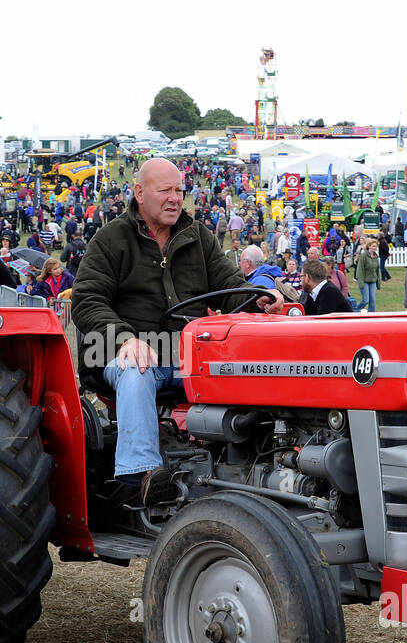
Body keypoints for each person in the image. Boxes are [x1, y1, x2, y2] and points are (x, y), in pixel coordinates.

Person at [72, 158, 282, 508]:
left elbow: (229, 284)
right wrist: (125, 338)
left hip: (187, 354)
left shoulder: (197, 236)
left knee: (248, 370)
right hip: (121, 350)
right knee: (137, 369)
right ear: (139, 192)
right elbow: (87, 299)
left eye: (180, 191)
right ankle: (141, 477)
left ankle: (249, 468)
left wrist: (257, 296)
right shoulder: (111, 239)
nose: (174, 199)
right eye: (165, 190)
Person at [351, 238, 382, 312]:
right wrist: (361, 282)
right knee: (366, 300)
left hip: (373, 281)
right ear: (369, 246)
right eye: (374, 246)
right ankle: (355, 311)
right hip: (364, 280)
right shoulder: (364, 255)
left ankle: (372, 315)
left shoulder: (376, 256)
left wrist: (378, 283)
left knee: (372, 300)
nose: (375, 248)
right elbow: (360, 269)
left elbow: (377, 270)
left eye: (376, 246)